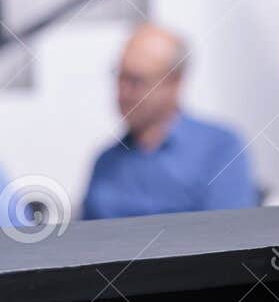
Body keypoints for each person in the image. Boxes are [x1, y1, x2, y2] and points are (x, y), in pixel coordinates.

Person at [83, 23, 259, 220]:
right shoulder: (105, 162)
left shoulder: (220, 149)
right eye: (120, 77)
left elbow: (232, 237)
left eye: (135, 81)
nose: (123, 92)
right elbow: (87, 245)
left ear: (175, 83)